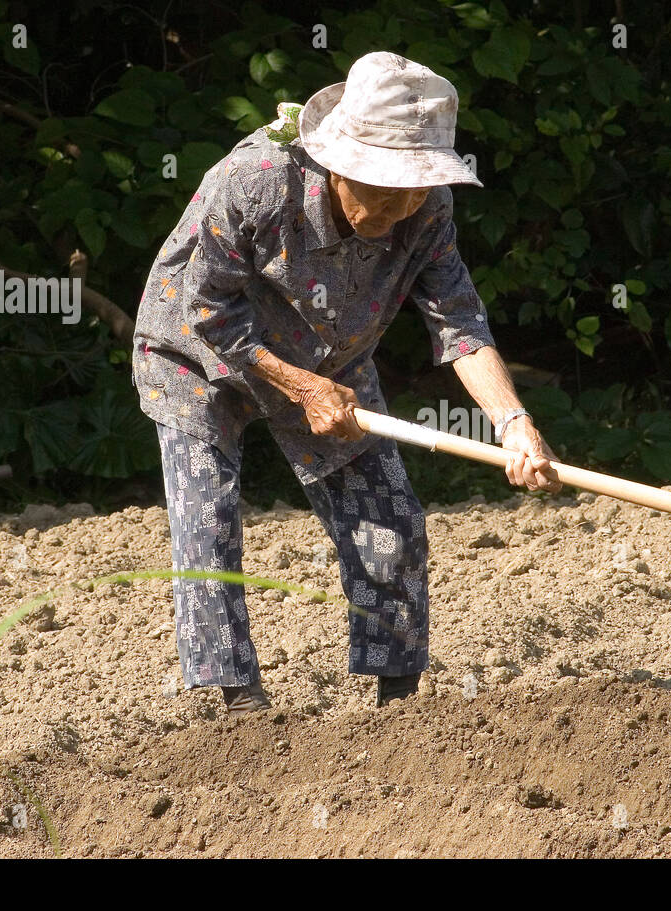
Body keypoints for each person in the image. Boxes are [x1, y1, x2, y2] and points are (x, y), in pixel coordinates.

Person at [132, 51, 561, 714]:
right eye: (382, 184)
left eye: (416, 184)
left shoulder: (427, 214)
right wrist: (298, 386)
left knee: (390, 522)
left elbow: (460, 322)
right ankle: (239, 710)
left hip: (332, 358)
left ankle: (401, 710)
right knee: (206, 519)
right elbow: (208, 308)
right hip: (198, 353)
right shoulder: (256, 184)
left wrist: (513, 422)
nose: (399, 203)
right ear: (337, 161)